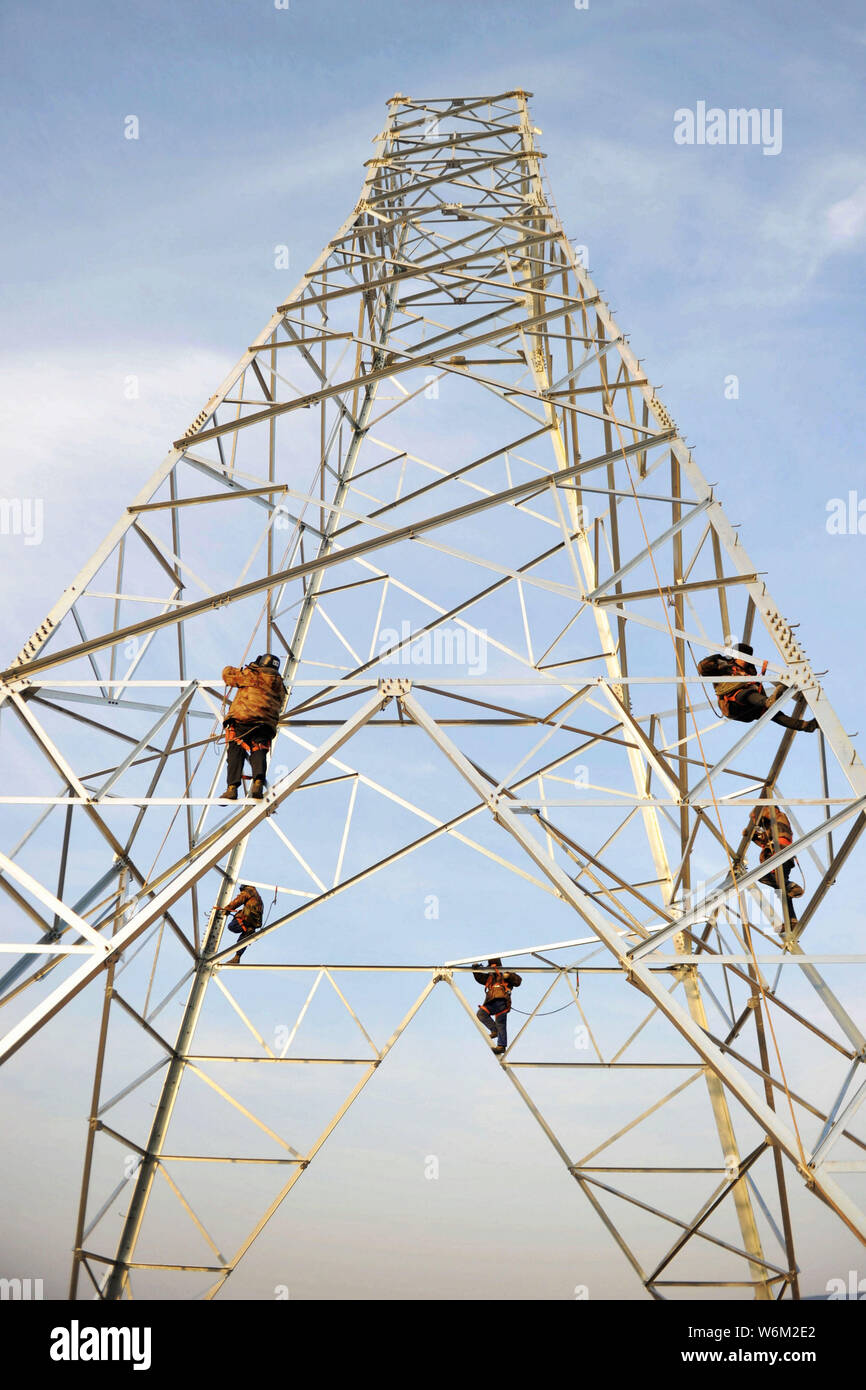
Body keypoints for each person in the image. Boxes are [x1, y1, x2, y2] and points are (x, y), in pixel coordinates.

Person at [698, 644, 817, 733]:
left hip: (751, 707)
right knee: (745, 694)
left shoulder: (744, 668)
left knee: (775, 714)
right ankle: (768, 702)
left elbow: (747, 652)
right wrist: (720, 661)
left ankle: (807, 726)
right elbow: (704, 668)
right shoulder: (721, 672)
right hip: (734, 706)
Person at [221, 653, 287, 799]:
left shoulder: (252, 674)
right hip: (265, 724)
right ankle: (258, 781)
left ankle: (232, 788)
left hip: (244, 718)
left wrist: (253, 666)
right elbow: (281, 705)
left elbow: (227, 674)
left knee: (235, 750)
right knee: (259, 749)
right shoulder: (280, 686)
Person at [746, 806, 803, 928]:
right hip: (781, 855)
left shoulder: (779, 817)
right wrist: (754, 835)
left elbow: (776, 835)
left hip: (780, 853)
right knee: (783, 890)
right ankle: (791, 920)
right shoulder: (773, 823)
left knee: (763, 876)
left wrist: (755, 821)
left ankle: (790, 886)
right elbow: (765, 840)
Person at [473, 958, 522, 1055]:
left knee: (501, 1023)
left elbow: (518, 981)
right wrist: (475, 970)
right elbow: (479, 978)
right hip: (491, 1002)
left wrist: (508, 976)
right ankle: (495, 1031)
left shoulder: (505, 975)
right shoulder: (490, 978)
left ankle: (501, 1045)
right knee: (481, 1014)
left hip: (502, 1002)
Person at [214, 884, 264, 963]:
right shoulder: (257, 896)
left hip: (247, 919)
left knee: (231, 926)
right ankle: (237, 957)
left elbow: (239, 900)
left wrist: (228, 908)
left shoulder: (249, 891)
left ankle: (246, 928)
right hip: (254, 922)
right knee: (243, 940)